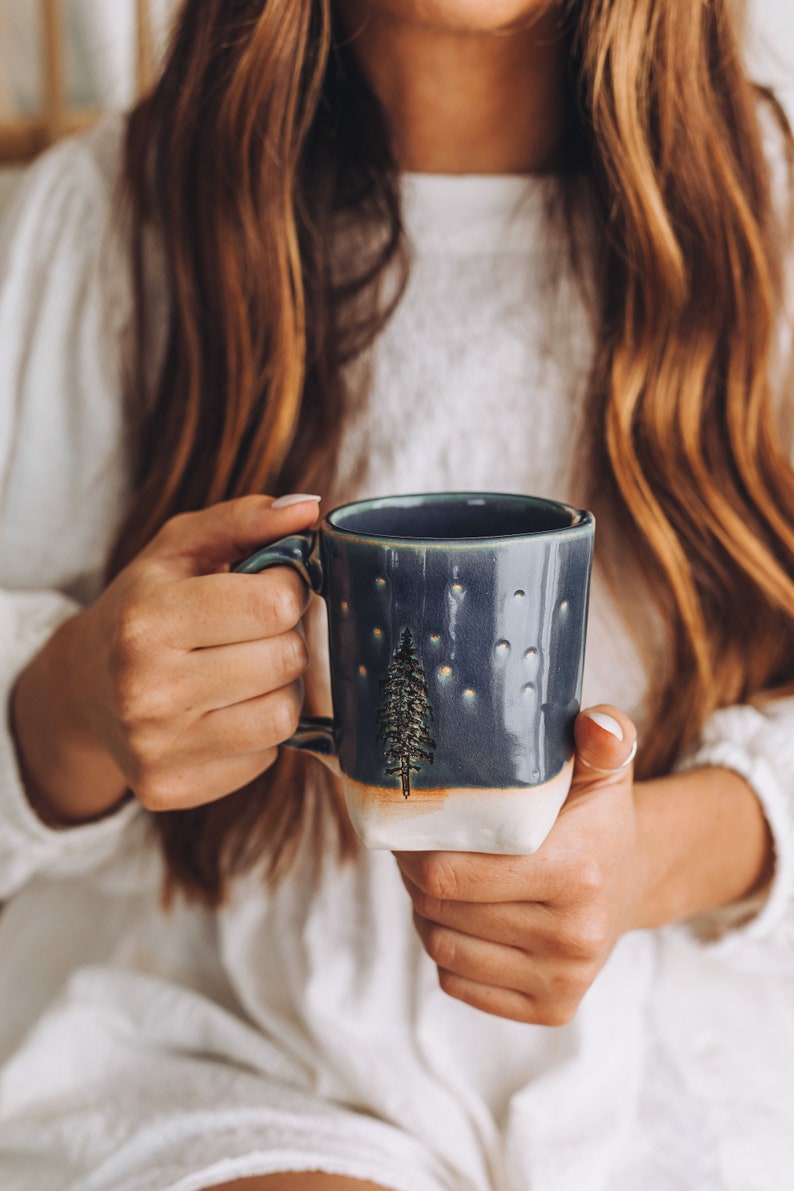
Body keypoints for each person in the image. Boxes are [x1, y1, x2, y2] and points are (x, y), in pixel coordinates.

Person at [0, 1, 793, 1188]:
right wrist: (70, 705)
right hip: (235, 1059)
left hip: (699, 1074)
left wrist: (652, 861)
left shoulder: (763, 213)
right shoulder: (103, 228)